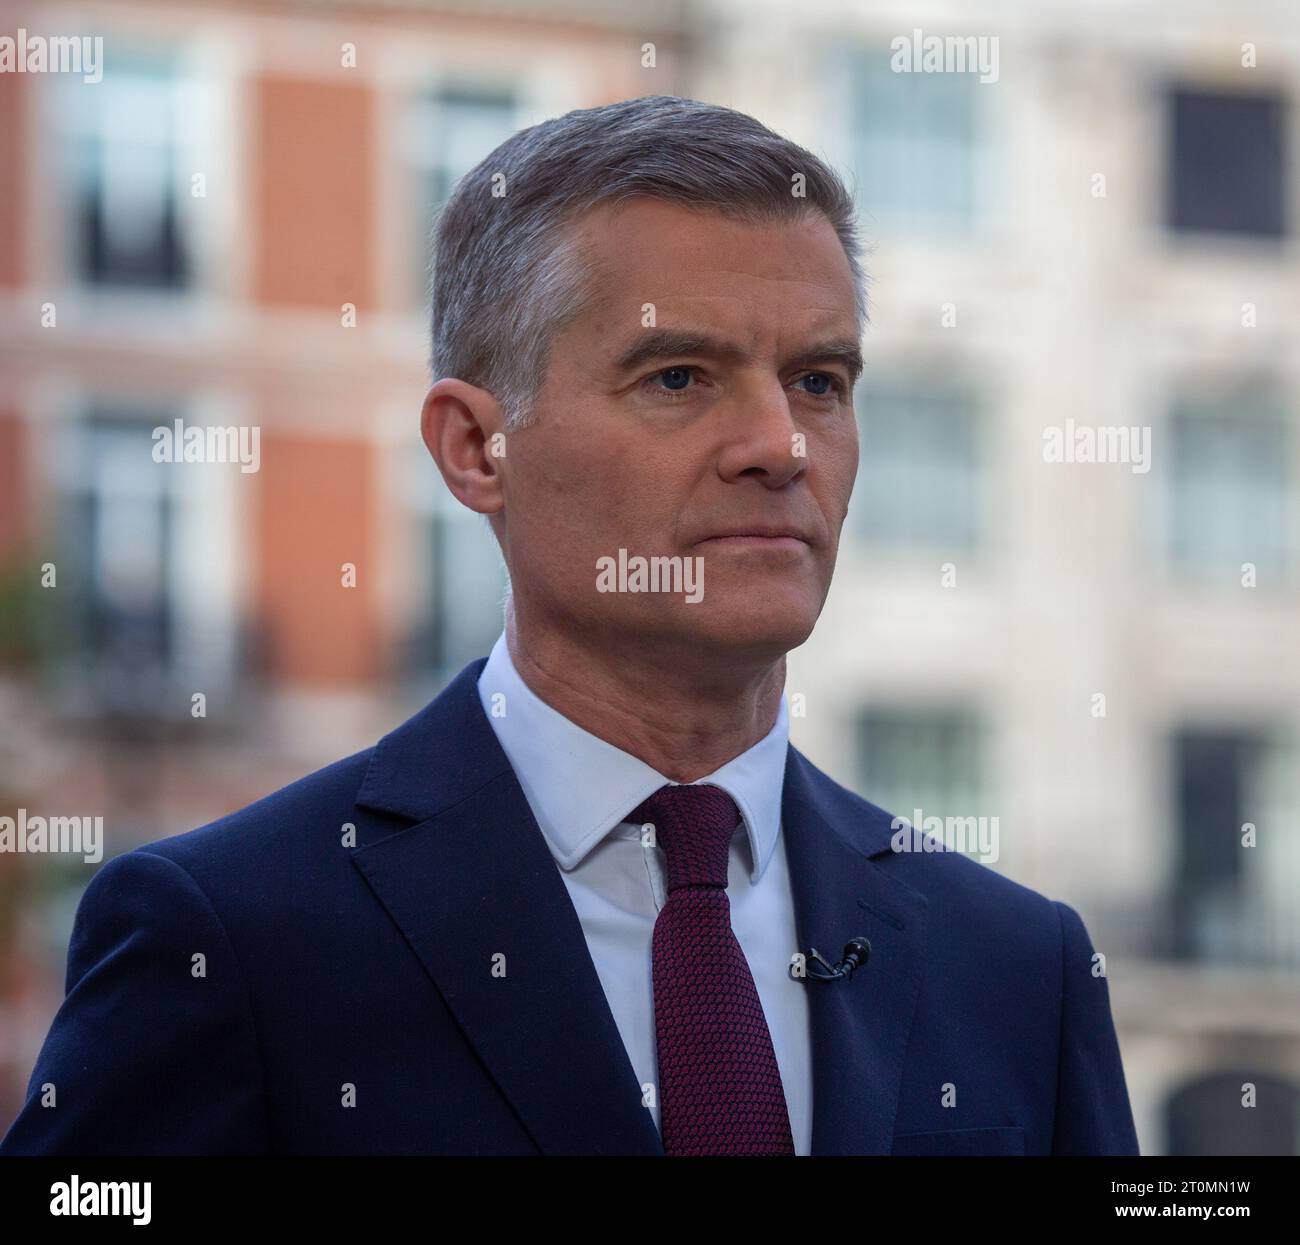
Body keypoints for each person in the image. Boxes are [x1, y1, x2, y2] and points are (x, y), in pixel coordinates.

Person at [1, 95, 1138, 1156]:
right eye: (679, 377)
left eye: (819, 382)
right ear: (474, 448)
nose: (779, 445)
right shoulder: (232, 934)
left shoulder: (1016, 968)